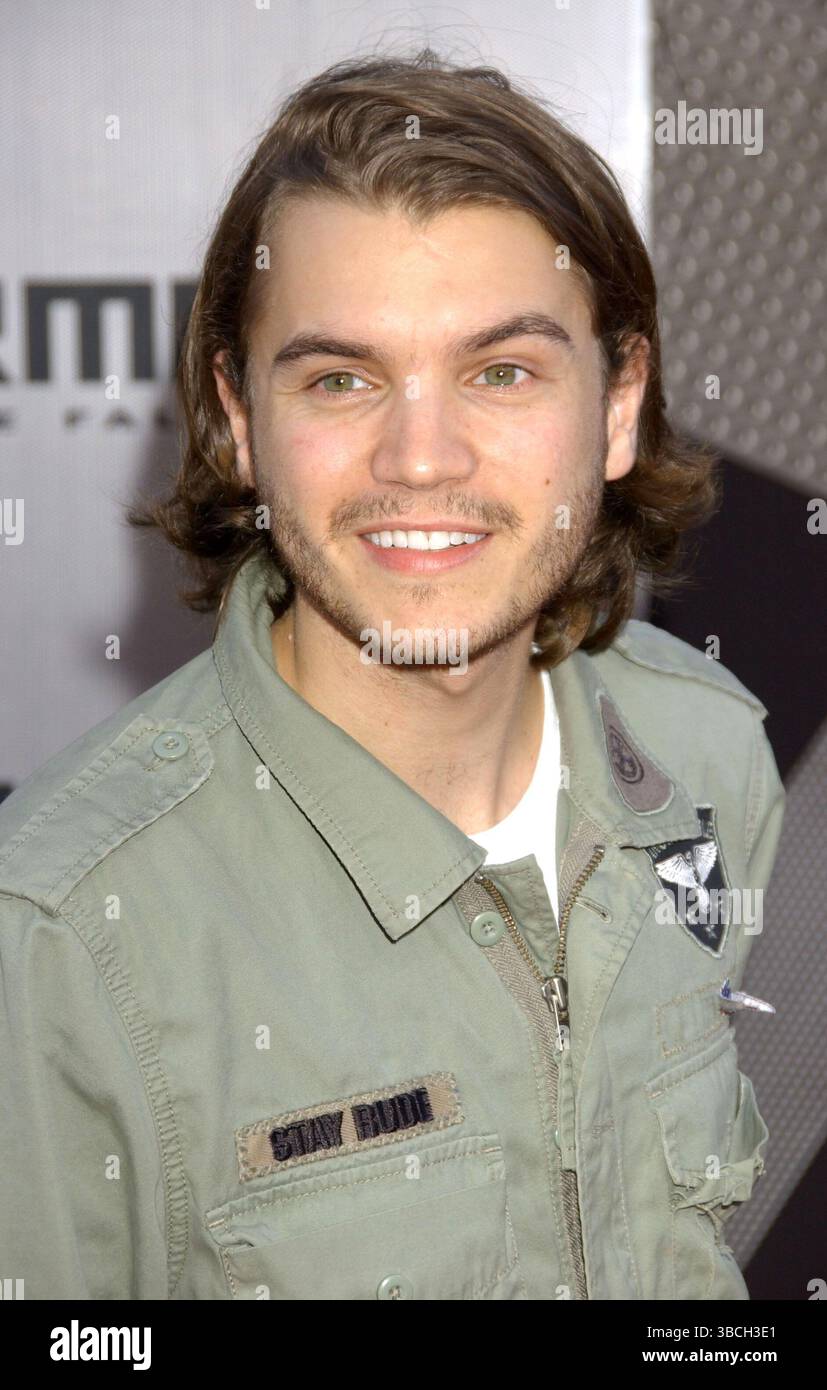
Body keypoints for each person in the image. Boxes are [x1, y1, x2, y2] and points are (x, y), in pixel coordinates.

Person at [0, 49, 785, 1300]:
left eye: (501, 371)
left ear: (619, 402)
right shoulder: (53, 934)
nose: (420, 458)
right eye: (341, 379)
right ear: (240, 420)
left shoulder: (706, 758)